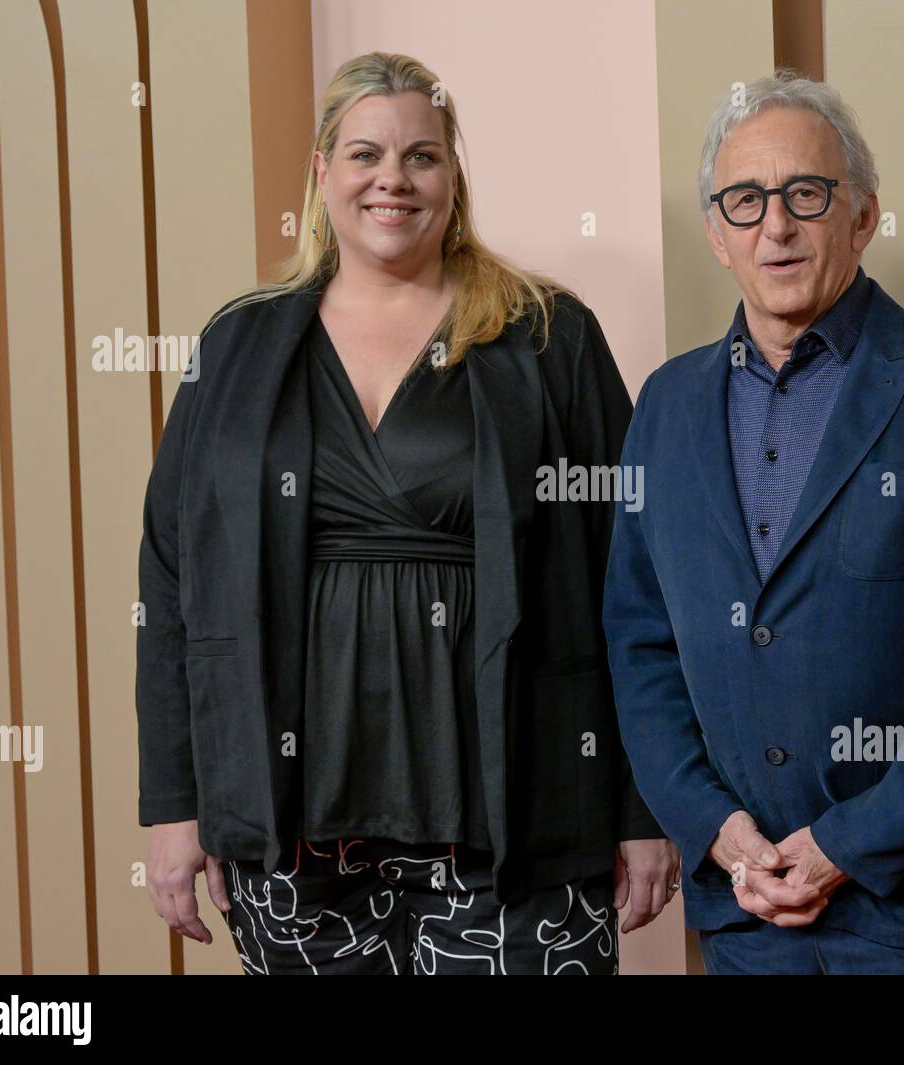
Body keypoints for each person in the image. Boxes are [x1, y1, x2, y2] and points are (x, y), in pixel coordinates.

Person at [136, 51, 678, 975]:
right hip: (291, 826)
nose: (393, 179)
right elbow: (170, 576)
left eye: (422, 156)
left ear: (453, 174)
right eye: (364, 154)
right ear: (321, 173)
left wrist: (643, 806)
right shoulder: (238, 345)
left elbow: (634, 579)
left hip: (520, 823)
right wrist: (174, 801)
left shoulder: (549, 337)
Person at [602, 70, 904, 975]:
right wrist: (719, 831)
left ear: (862, 216)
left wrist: (850, 842)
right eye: (744, 200)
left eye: (805, 194)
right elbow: (638, 641)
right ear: (715, 232)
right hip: (748, 917)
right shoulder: (663, 406)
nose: (775, 224)